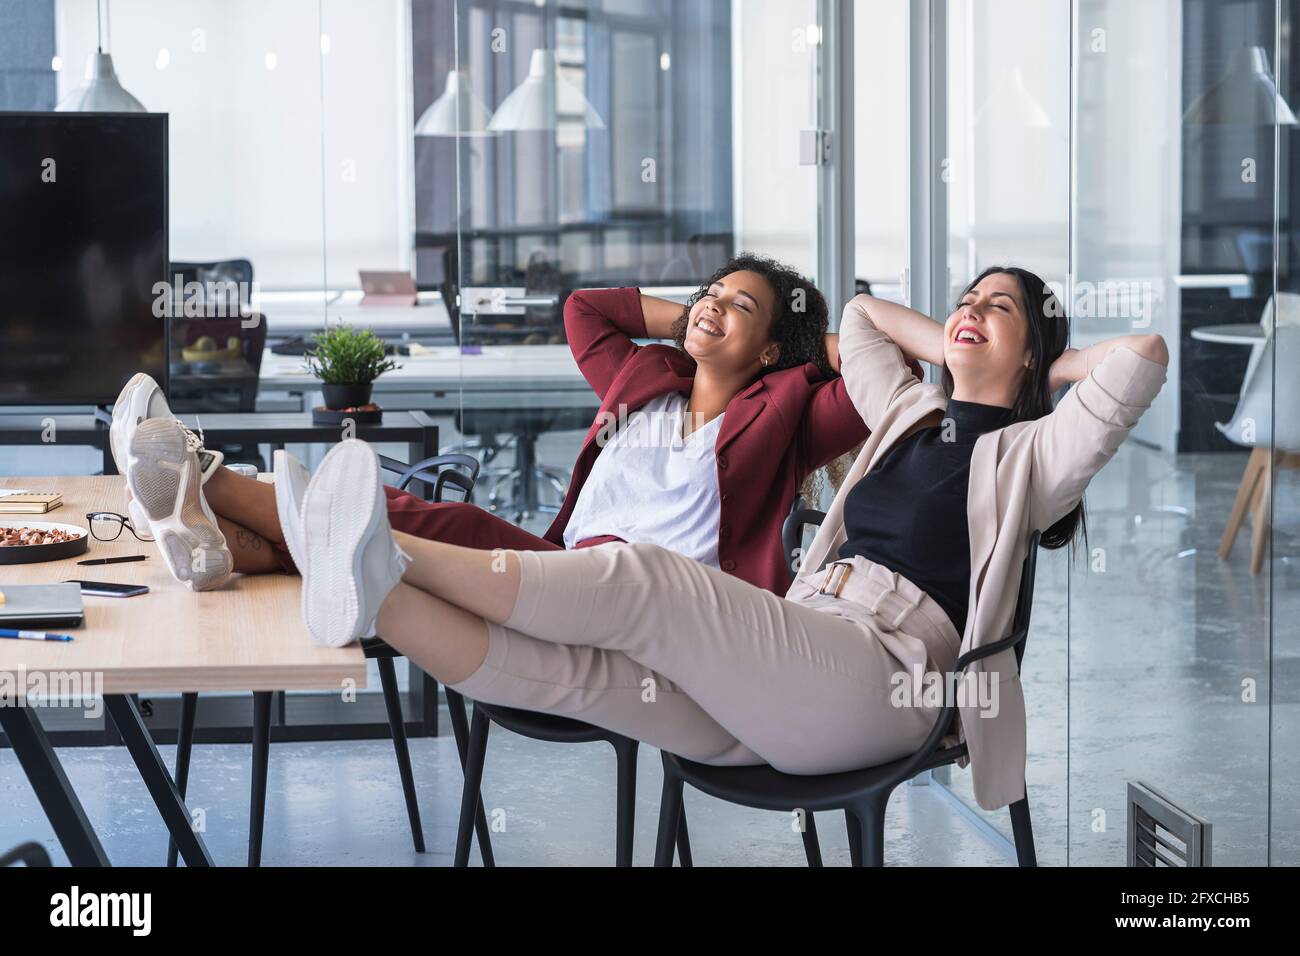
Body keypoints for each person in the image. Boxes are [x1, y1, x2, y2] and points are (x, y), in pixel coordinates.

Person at [287, 265, 1168, 813]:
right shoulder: (908, 410)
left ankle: (380, 551)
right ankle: (379, 593)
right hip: (802, 657)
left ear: (1031, 353)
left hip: (890, 685)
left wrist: (1042, 370)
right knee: (591, 680)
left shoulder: (1033, 453)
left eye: (998, 307)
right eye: (963, 300)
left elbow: (1141, 358)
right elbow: (860, 320)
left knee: (644, 581)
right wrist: (960, 344)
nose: (970, 310)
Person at [112, 253, 896, 595]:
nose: (714, 304)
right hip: (565, 570)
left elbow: (886, 371)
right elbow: (585, 310)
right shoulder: (646, 379)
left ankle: (200, 477)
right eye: (710, 292)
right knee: (411, 524)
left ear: (773, 350)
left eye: (741, 306)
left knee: (434, 521)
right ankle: (221, 540)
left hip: (657, 602)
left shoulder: (786, 414)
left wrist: (799, 348)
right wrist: (701, 311)